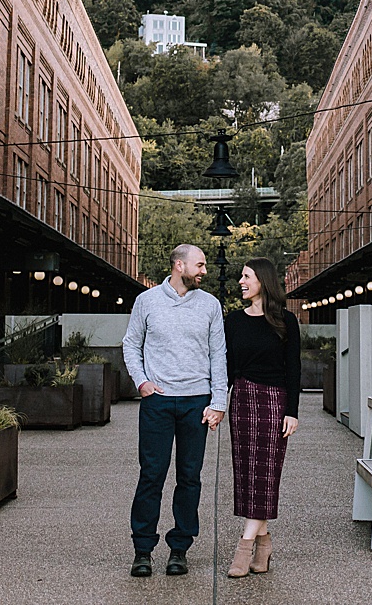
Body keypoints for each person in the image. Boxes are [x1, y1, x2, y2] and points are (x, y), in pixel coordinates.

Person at [122, 243, 227, 578]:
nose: (204, 271)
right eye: (200, 265)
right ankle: (142, 549)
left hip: (197, 401)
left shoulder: (210, 304)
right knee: (151, 474)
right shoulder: (147, 301)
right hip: (158, 401)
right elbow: (130, 343)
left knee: (189, 476)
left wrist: (219, 401)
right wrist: (141, 382)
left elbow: (218, 356)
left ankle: (179, 547)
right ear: (179, 265)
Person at [222, 256, 300, 578]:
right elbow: (226, 367)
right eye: (241, 276)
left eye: (246, 276)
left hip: (274, 402)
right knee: (246, 474)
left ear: (263, 281)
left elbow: (293, 369)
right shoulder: (234, 321)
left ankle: (245, 546)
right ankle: (264, 544)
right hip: (241, 399)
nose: (241, 281)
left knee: (266, 473)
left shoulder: (286, 320)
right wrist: (217, 403)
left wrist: (292, 412)